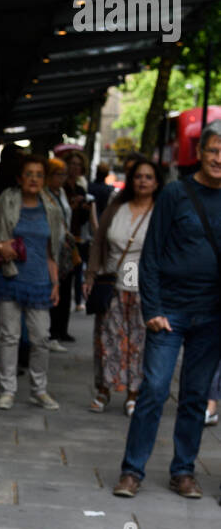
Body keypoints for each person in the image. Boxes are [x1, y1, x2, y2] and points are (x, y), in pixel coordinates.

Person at [113, 121, 221, 498]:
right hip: (169, 312)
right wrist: (153, 308)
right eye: (213, 150)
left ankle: (184, 472)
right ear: (201, 154)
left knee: (195, 396)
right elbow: (152, 255)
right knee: (154, 390)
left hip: (211, 317)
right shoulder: (176, 193)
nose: (219, 158)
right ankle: (132, 470)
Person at [0, 152, 63, 409]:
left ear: (44, 180)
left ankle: (39, 389)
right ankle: (8, 389)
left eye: (39, 175)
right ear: (19, 178)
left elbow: (52, 251)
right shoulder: (6, 203)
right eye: (29, 174)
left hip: (40, 282)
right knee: (10, 336)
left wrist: (55, 283)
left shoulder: (52, 209)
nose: (34, 179)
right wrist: (0, 245)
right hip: (10, 278)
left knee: (41, 338)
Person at [84, 158, 160, 414]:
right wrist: (91, 275)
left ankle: (133, 392)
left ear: (157, 182)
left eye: (149, 177)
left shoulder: (160, 211)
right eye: (139, 176)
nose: (143, 181)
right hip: (112, 281)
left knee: (139, 342)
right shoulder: (116, 207)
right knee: (108, 339)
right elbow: (97, 243)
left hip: (145, 286)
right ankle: (104, 390)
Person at [44, 157, 75, 349]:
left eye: (64, 174)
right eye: (58, 174)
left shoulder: (61, 192)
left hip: (64, 246)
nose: (62, 178)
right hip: (51, 248)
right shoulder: (45, 195)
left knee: (63, 288)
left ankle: (59, 330)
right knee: (53, 289)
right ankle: (52, 333)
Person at [65, 150, 98, 317]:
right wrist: (73, 205)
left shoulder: (80, 188)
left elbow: (88, 217)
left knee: (77, 273)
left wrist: (85, 208)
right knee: (64, 279)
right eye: (72, 164)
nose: (75, 168)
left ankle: (77, 303)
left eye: (78, 165)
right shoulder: (62, 187)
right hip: (63, 238)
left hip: (78, 237)